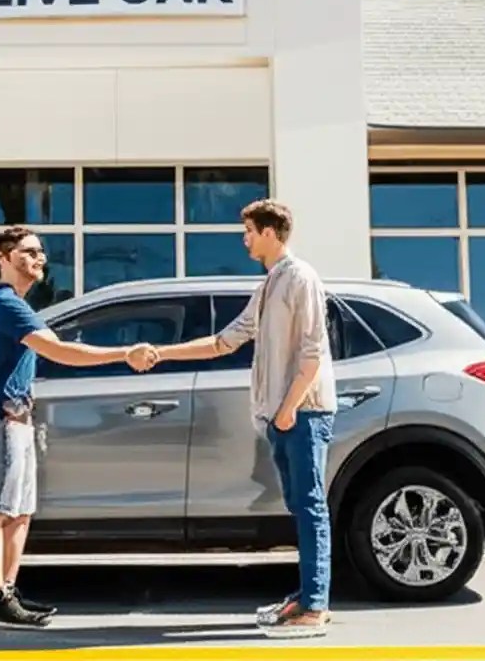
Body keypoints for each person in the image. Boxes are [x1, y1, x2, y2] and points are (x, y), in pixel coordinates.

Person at [148, 199, 336, 639]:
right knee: (299, 506)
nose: (245, 238)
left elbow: (313, 351)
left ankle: (315, 606)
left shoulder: (301, 278)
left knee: (310, 508)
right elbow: (223, 342)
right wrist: (162, 353)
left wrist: (289, 408)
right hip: (283, 415)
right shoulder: (269, 285)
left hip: (304, 413)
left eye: (249, 230)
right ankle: (305, 596)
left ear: (271, 232)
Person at [0, 226, 157, 629]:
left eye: (41, 253)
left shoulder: (17, 305)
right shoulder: (6, 304)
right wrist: (125, 353)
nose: (39, 259)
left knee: (19, 513)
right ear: (3, 256)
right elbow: (60, 351)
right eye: (29, 251)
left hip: (16, 419)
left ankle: (7, 592)